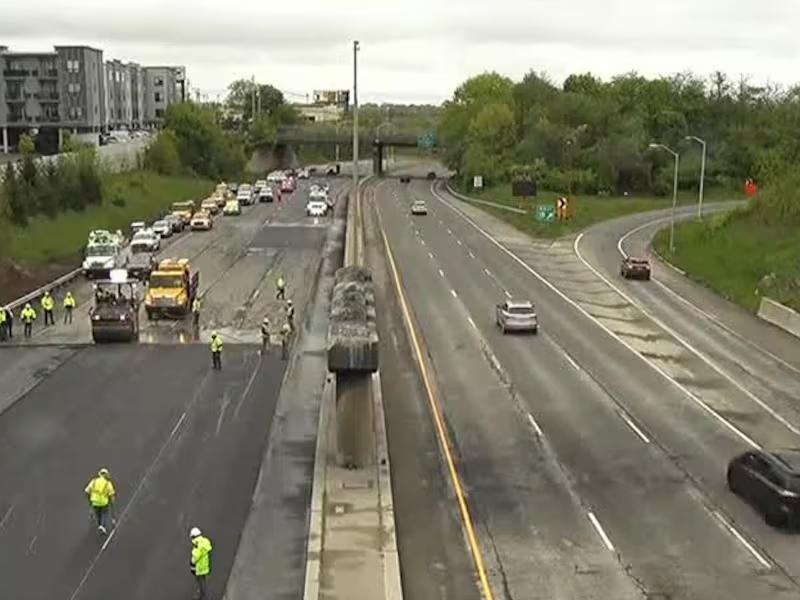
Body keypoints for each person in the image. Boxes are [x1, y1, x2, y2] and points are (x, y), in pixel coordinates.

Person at [84, 468, 116, 535]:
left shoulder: (94, 481)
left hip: (95, 502)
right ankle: (102, 526)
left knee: (98, 514)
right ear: (106, 475)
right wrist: (112, 502)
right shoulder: (108, 483)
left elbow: (87, 491)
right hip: (104, 502)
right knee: (104, 514)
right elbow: (111, 494)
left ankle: (100, 525)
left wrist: (90, 500)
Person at [189, 527, 213, 600]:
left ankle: (203, 596)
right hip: (205, 566)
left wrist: (192, 564)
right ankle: (202, 595)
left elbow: (195, 558)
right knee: (204, 583)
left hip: (199, 568)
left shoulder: (197, 546)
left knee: (200, 583)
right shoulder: (205, 541)